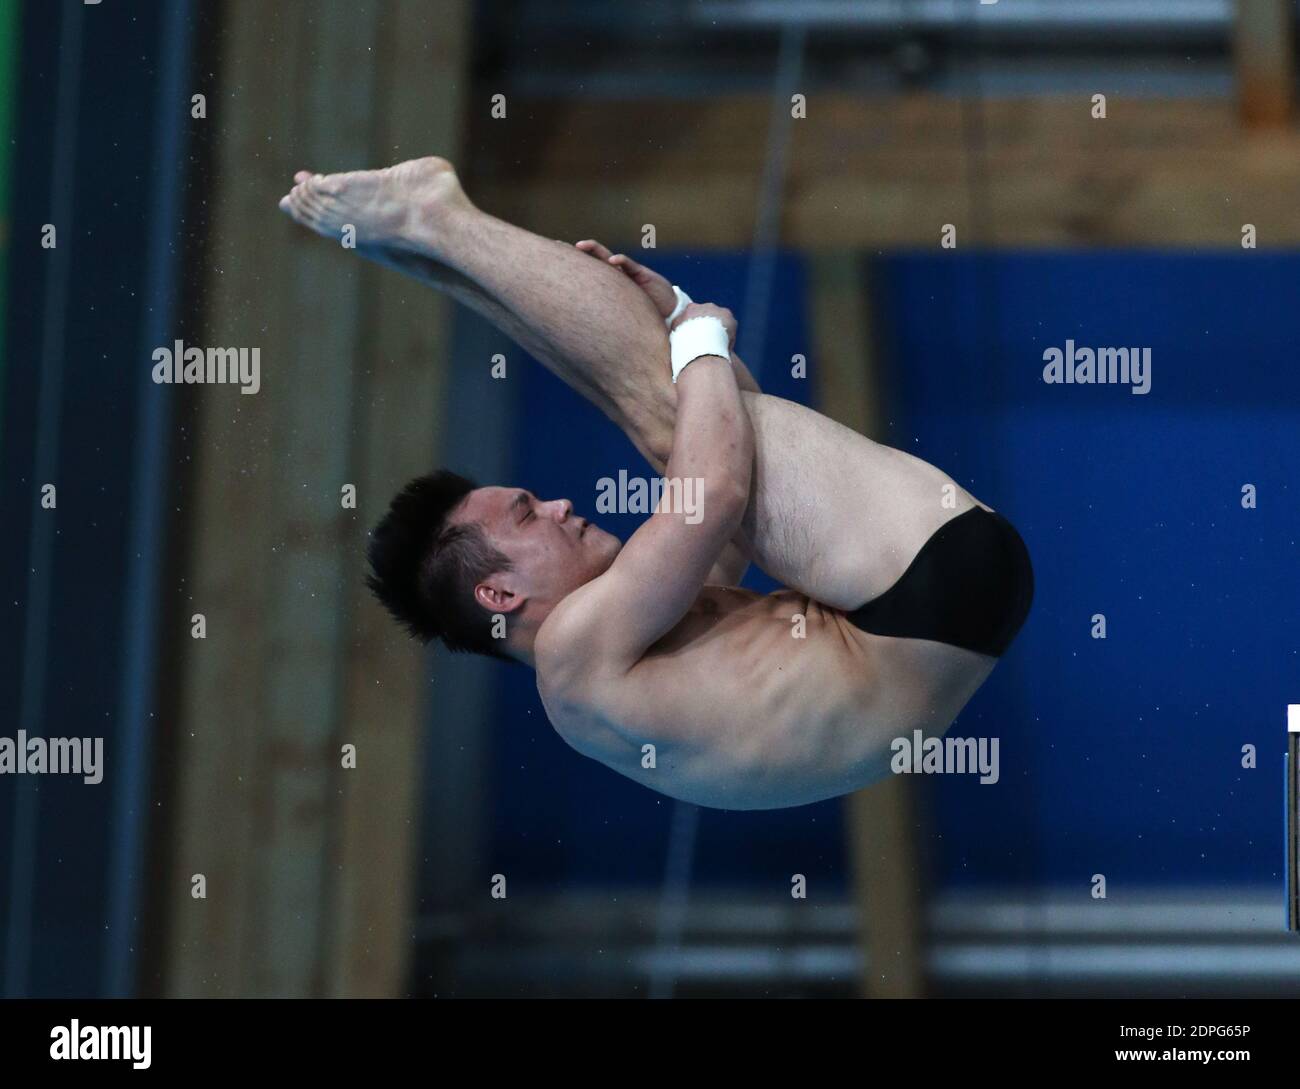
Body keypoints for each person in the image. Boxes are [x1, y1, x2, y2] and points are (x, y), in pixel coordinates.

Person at [279, 157, 1033, 810]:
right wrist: (696, 331)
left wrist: (682, 324)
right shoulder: (572, 661)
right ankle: (434, 219)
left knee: (665, 411)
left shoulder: (624, 660)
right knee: (669, 414)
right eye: (528, 513)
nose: (561, 503)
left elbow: (736, 440)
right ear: (500, 594)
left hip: (940, 603)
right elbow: (717, 491)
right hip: (913, 595)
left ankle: (427, 248)